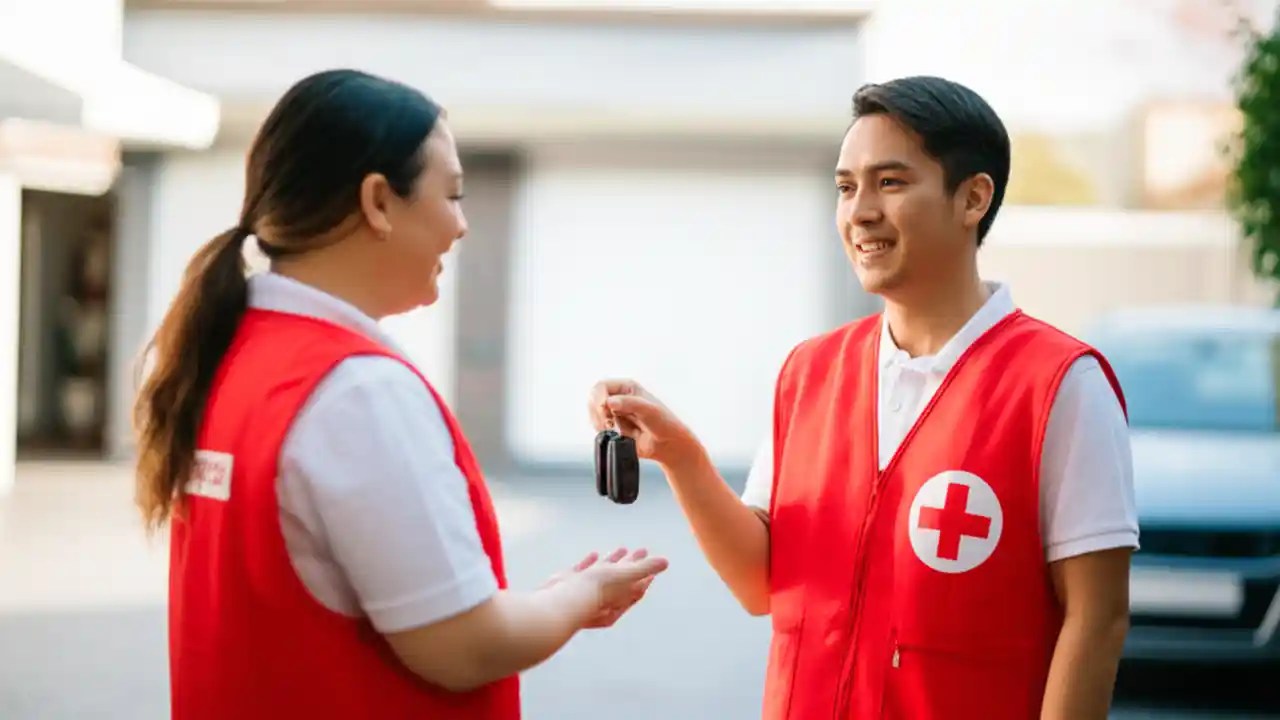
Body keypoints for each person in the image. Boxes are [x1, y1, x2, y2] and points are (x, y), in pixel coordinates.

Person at [588, 75, 1136, 720]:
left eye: (891, 182)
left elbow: (1096, 620)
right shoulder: (810, 372)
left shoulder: (1059, 385)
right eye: (846, 187)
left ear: (972, 199)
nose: (860, 211)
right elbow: (762, 585)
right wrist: (681, 457)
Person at [133, 69, 669, 720]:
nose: (463, 226)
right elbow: (463, 647)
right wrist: (582, 595)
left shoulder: (229, 352)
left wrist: (537, 600)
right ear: (379, 202)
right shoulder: (356, 390)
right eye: (452, 194)